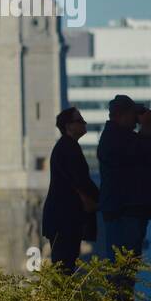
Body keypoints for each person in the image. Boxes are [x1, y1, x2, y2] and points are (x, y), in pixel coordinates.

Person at [97, 93, 151, 301]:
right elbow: (144, 149)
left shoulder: (125, 136)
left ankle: (123, 300)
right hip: (123, 210)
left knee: (130, 260)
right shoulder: (113, 137)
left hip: (132, 208)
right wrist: (146, 126)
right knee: (122, 261)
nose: (137, 119)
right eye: (134, 115)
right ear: (122, 115)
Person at [42, 107, 99, 273]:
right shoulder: (68, 148)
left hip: (62, 219)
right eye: (79, 121)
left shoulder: (67, 146)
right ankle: (62, 299)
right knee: (64, 268)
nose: (84, 123)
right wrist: (96, 199)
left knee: (64, 266)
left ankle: (63, 298)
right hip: (64, 220)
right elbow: (79, 180)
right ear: (69, 126)